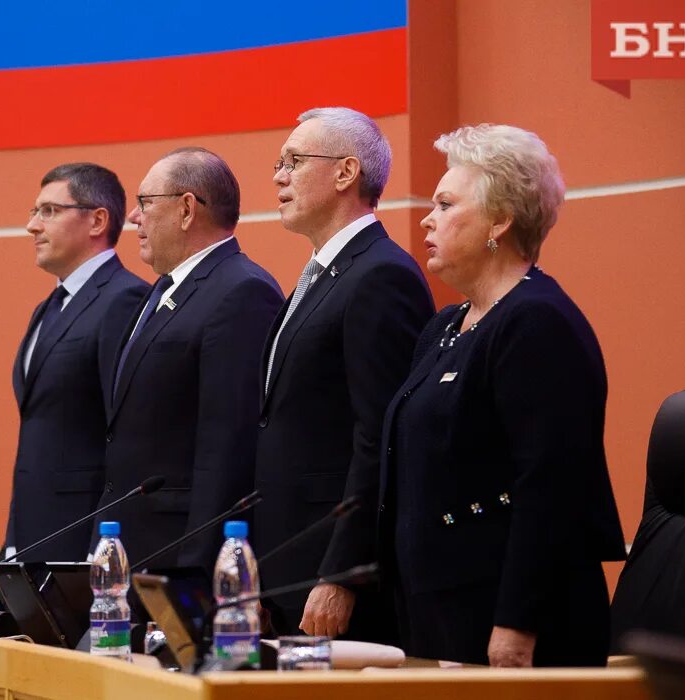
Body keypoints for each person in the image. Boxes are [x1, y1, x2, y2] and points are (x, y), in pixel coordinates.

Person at [378, 124, 626, 666]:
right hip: (437, 610)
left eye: (445, 204)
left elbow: (549, 487)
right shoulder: (445, 326)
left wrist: (517, 624)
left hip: (510, 621)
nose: (427, 217)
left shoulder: (536, 323)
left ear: (500, 220)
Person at [253, 107, 434, 642]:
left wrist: (343, 573)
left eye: (293, 161)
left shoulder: (381, 275)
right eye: (278, 163)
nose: (278, 176)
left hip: (332, 577)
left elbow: (381, 436)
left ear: (345, 172)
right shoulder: (322, 275)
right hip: (288, 565)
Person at [95, 147, 284, 569]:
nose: (133, 217)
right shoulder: (162, 289)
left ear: (186, 209)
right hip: (126, 547)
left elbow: (228, 445)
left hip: (178, 554)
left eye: (145, 202)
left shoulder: (241, 291)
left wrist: (197, 567)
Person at [3, 163, 147, 562]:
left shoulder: (124, 300)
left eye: (49, 211)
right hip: (32, 536)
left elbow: (123, 437)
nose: (33, 225)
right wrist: (13, 540)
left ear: (97, 220)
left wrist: (99, 549)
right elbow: (37, 433)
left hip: (84, 539)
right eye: (35, 211)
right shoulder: (47, 307)